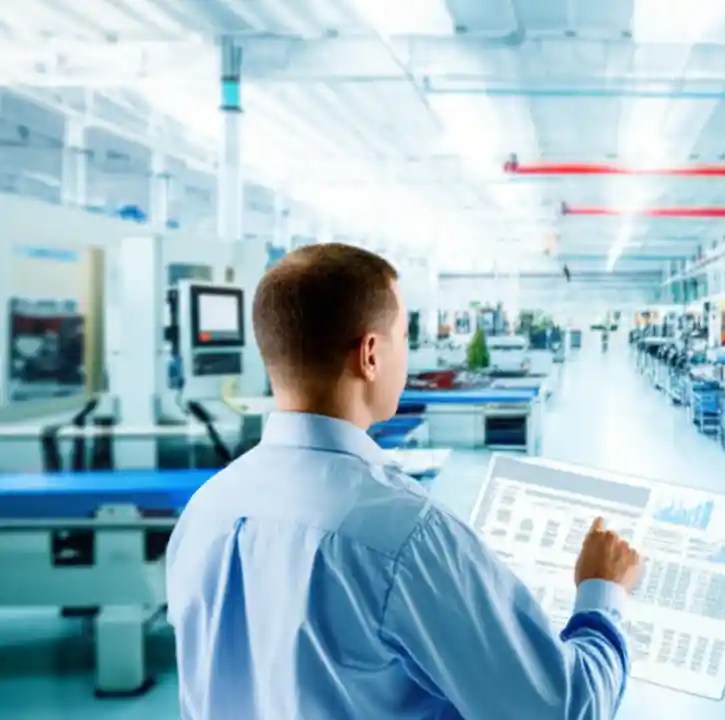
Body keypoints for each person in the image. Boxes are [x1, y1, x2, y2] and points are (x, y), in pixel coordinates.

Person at [166, 243, 644, 719]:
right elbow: (563, 709)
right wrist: (602, 593)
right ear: (370, 354)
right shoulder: (405, 536)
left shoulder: (205, 511)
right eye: (404, 335)